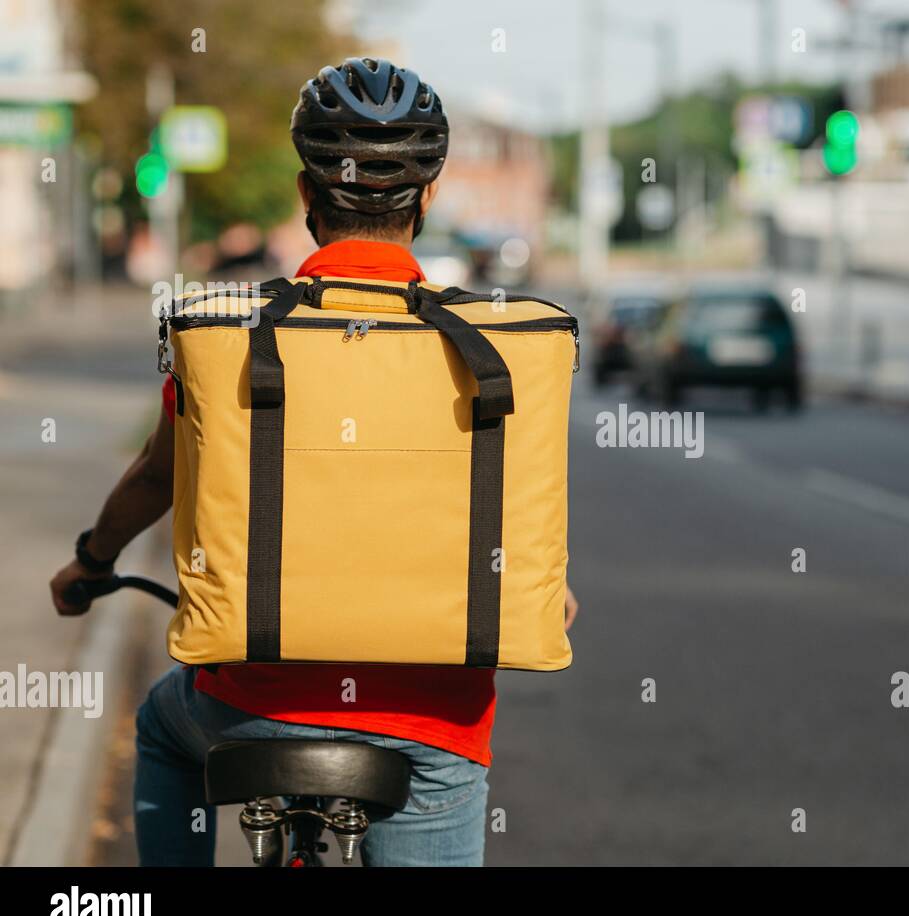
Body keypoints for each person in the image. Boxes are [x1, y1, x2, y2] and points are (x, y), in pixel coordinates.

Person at [48, 57, 578, 867]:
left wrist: (91, 561)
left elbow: (158, 476)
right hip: (431, 725)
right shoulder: (492, 353)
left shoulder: (231, 340)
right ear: (429, 197)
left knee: (158, 727)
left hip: (251, 705)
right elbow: (521, 501)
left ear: (306, 195)